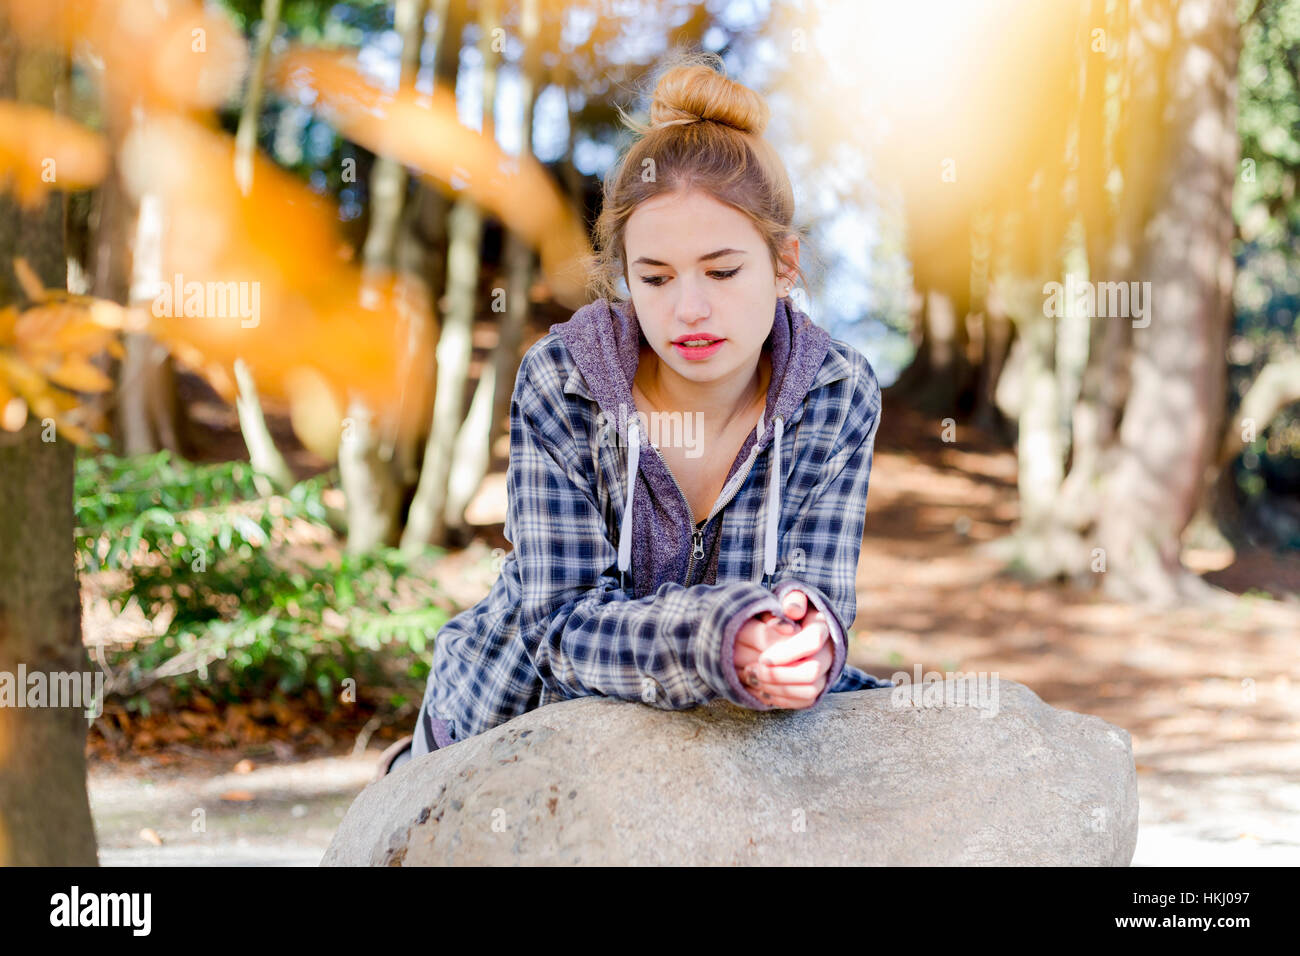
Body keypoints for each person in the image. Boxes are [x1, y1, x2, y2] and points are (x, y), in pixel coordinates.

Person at [378, 50, 889, 779]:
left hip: (712, 744)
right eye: (655, 277)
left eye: (722, 270)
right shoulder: (563, 383)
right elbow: (559, 628)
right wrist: (722, 637)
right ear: (625, 276)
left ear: (783, 264)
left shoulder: (838, 394)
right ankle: (400, 772)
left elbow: (819, 591)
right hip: (503, 720)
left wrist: (808, 643)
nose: (689, 309)